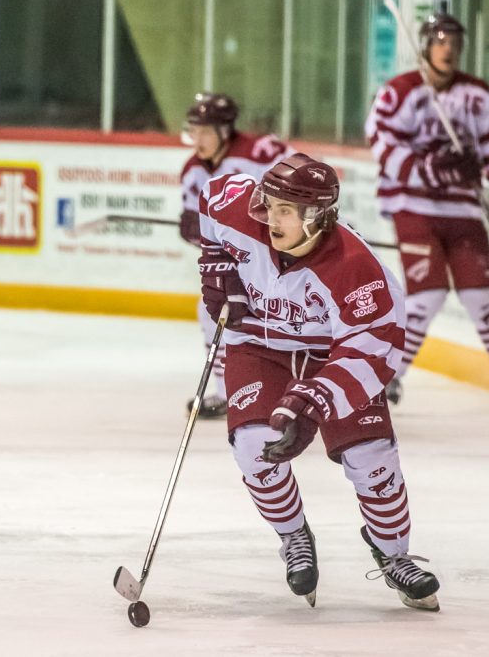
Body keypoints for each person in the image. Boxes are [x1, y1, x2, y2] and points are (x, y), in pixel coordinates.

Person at [196, 152, 440, 612]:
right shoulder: (240, 212)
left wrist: (316, 401)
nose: (271, 219)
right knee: (253, 446)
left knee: (371, 457)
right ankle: (294, 536)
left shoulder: (356, 268)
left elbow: (372, 350)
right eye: (269, 205)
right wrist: (215, 262)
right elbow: (211, 196)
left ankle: (393, 555)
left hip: (332, 356)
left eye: (285, 211)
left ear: (318, 216)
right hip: (258, 347)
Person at [364, 13, 489, 414]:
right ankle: (391, 376)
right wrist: (429, 170)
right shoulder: (400, 92)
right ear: (424, 46)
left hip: (463, 210)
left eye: (454, 41)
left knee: (482, 297)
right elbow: (381, 142)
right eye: (439, 40)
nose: (447, 48)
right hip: (413, 206)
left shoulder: (478, 95)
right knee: (427, 296)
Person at [179, 92, 292, 419]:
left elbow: (303, 184)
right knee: (211, 309)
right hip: (240, 259)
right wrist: (194, 228)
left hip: (283, 251)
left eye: (205, 131)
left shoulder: (261, 152)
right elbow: (199, 232)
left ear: (224, 131)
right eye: (194, 131)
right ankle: (228, 392)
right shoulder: (192, 171)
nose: (198, 139)